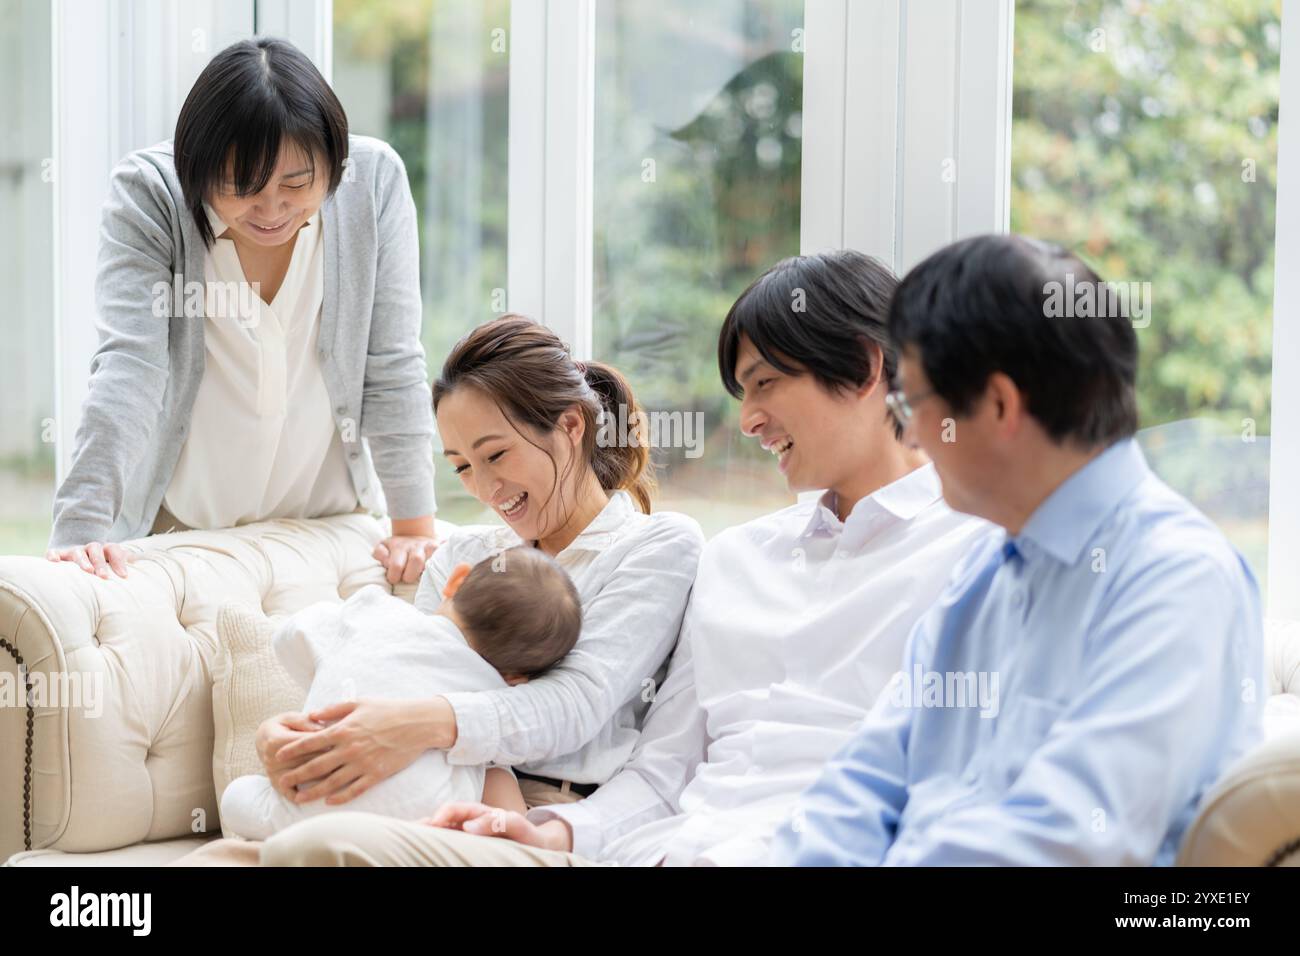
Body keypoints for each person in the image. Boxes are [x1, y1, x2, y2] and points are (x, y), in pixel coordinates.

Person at [250, 250, 993, 866]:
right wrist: (553, 835)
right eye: (462, 466)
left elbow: (970, 777)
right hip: (657, 847)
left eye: (764, 383)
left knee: (321, 849)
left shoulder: (977, 554)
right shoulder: (739, 561)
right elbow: (667, 768)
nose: (749, 420)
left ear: (866, 369)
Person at [771, 234, 1267, 866]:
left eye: (912, 403)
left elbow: (1067, 840)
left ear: (1000, 404)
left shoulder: (1177, 579)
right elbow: (859, 785)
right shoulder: (982, 573)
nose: (910, 430)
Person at [171, 315, 704, 865]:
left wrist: (417, 723)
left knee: (319, 848)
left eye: (495, 455)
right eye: (462, 468)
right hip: (416, 781)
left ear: (570, 426)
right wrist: (286, 737)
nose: (486, 488)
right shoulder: (463, 558)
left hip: (540, 815)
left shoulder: (655, 547)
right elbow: (401, 673)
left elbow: (576, 706)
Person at [45, 37, 438, 585]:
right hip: (178, 533)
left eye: (297, 184)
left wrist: (414, 527)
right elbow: (130, 369)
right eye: (241, 188)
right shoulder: (150, 195)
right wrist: (80, 529)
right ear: (196, 170)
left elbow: (392, 363)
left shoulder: (372, 183)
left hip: (325, 526)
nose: (272, 209)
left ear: (334, 162)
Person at [220, 548, 582, 840]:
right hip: (416, 838)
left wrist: (328, 678)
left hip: (303, 816)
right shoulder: (491, 704)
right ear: (520, 678)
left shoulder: (373, 612)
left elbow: (288, 639)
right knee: (495, 770)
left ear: (455, 581)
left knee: (237, 796)